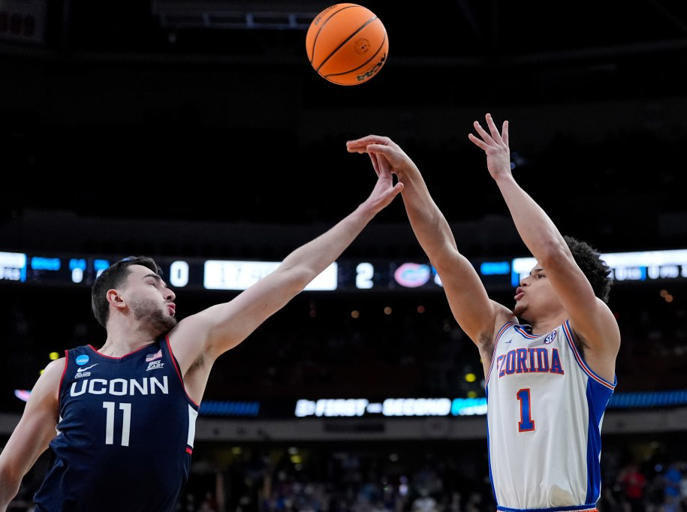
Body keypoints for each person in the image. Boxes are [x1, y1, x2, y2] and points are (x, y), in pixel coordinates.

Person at [0, 164, 404, 511]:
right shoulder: (64, 370)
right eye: (154, 283)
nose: (170, 292)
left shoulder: (185, 344)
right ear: (116, 297)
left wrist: (365, 211)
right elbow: (9, 470)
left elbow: (289, 275)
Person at [347, 113, 620, 512]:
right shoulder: (497, 330)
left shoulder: (593, 333)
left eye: (537, 276)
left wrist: (503, 178)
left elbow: (554, 253)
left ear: (569, 286)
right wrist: (410, 176)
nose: (522, 283)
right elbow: (445, 255)